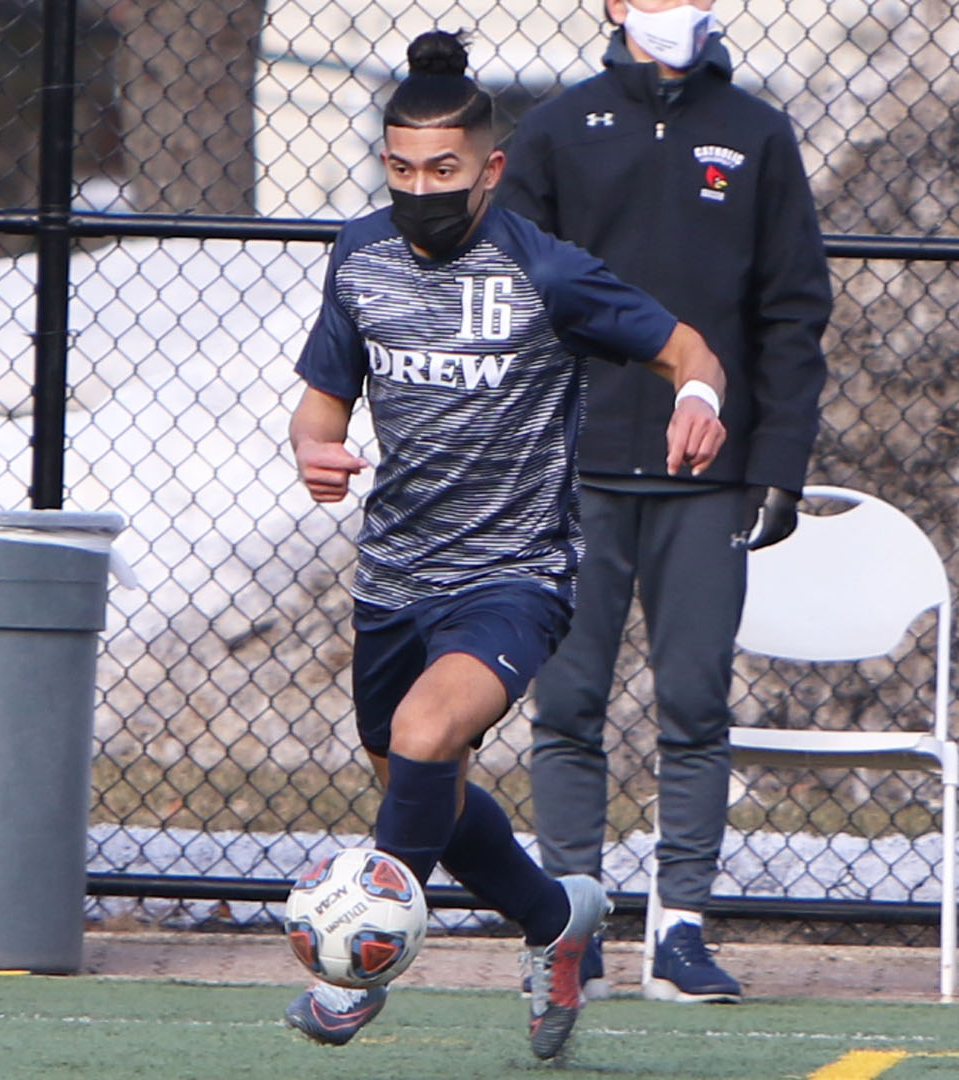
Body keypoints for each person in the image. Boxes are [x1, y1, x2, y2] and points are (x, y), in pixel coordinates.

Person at [283, 29, 730, 1058]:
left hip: (515, 573)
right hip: (395, 574)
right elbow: (319, 411)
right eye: (401, 169)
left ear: (489, 169)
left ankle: (364, 969)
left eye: (443, 170)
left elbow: (684, 347)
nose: (419, 188)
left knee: (430, 735)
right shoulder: (360, 258)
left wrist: (697, 399)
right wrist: (316, 452)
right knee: (409, 765)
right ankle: (554, 918)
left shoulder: (545, 269)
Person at [498, 0, 832, 1004]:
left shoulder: (759, 133)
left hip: (707, 479)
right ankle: (574, 923)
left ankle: (680, 930)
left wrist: (777, 461)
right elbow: (515, 296)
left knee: (694, 704)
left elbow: (792, 309)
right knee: (566, 704)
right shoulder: (556, 129)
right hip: (575, 471)